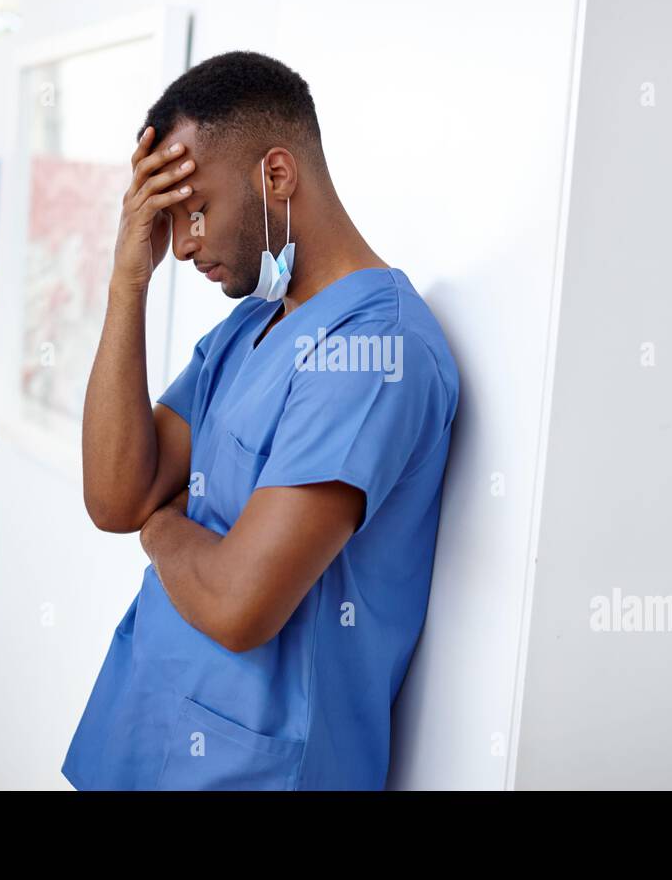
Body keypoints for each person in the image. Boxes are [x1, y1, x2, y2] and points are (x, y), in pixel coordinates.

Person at [63, 51, 459, 790]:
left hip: (256, 771)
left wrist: (163, 528)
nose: (181, 245)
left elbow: (237, 604)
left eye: (194, 210)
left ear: (276, 176)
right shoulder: (248, 330)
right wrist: (127, 282)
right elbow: (116, 498)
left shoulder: (377, 351)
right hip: (141, 738)